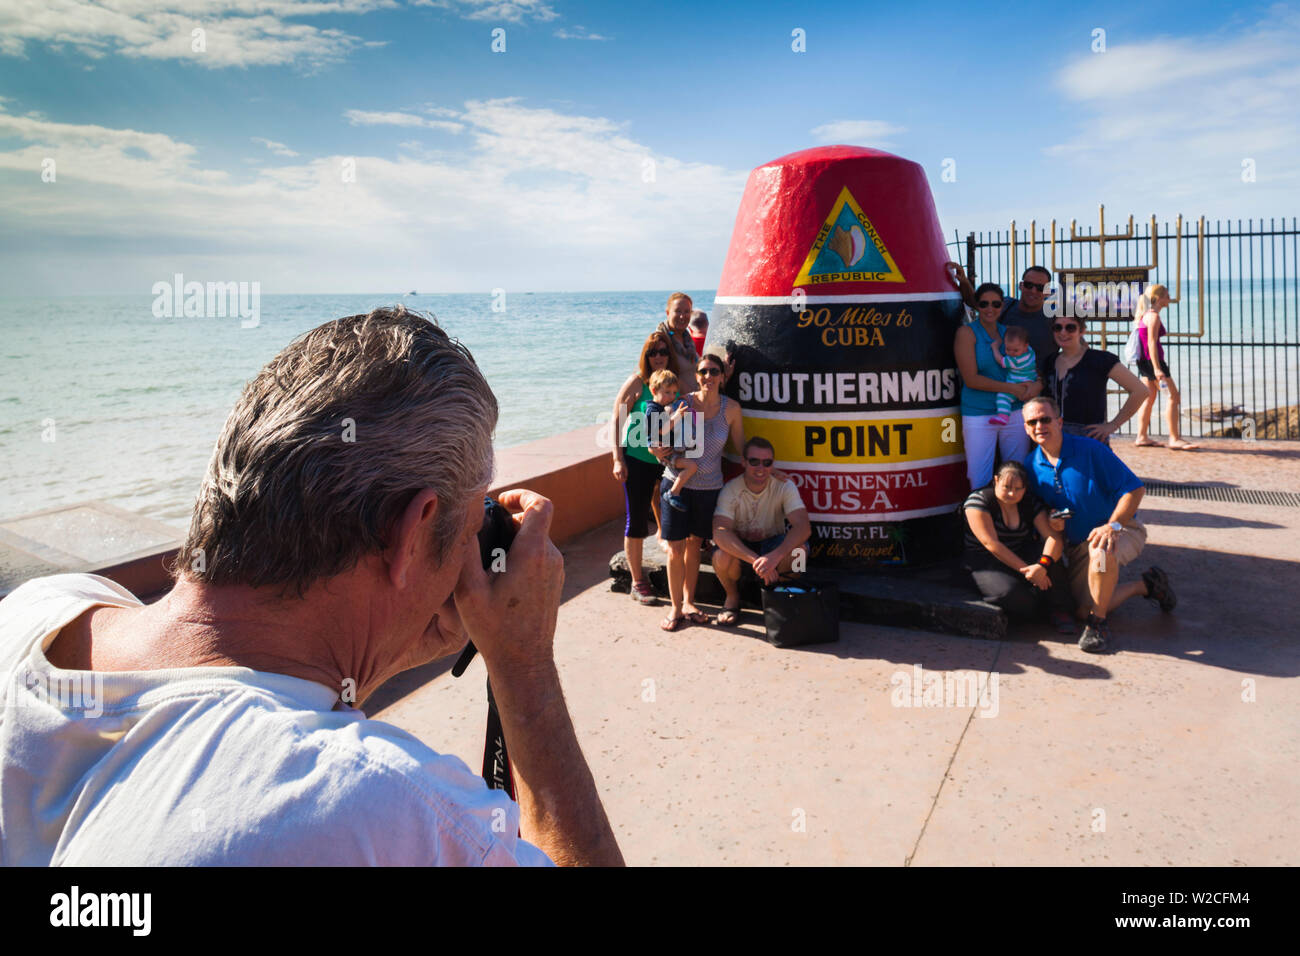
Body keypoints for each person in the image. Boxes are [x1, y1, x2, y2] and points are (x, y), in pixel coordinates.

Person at [0, 306, 624, 866]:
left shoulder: (40, 612)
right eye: (467, 526)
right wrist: (522, 666)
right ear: (415, 532)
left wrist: (397, 641)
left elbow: (250, 690)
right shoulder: (382, 809)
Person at [1021, 396, 1177, 654]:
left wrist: (1112, 525)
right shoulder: (1030, 466)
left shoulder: (1091, 450)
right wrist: (1053, 522)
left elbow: (1134, 490)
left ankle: (1098, 626)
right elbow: (1044, 513)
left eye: (1045, 419)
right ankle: (1147, 585)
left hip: (1122, 530)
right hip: (1077, 546)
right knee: (1083, 609)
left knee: (1102, 552)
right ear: (1026, 428)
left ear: (1059, 422)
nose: (1039, 426)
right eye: (1032, 421)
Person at [658, 351, 745, 632]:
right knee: (675, 548)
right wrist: (665, 457)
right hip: (677, 485)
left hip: (710, 488)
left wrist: (768, 472)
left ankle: (690, 602)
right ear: (696, 376)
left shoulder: (731, 409)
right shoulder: (683, 403)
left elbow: (741, 450)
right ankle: (674, 608)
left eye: (714, 371)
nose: (708, 376)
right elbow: (655, 440)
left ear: (722, 376)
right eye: (703, 372)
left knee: (694, 545)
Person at [711, 437, 812, 626]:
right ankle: (732, 598)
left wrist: (775, 556)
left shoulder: (784, 486)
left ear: (773, 464)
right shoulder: (731, 489)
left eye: (767, 463)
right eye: (754, 461)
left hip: (773, 545)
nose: (760, 468)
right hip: (743, 550)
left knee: (800, 553)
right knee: (720, 555)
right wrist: (755, 560)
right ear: (743, 462)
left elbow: (803, 527)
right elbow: (720, 531)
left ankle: (781, 596)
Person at [962, 460, 1072, 629]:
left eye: (1017, 489)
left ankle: (1060, 609)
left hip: (1021, 551)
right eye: (1006, 487)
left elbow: (1053, 537)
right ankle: (1035, 607)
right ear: (996, 481)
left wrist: (1042, 565)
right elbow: (991, 543)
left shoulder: (1030, 503)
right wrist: (1027, 571)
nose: (1012, 494)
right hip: (986, 561)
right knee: (1010, 594)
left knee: (1053, 560)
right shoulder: (978, 501)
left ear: (1025, 488)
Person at [610, 330, 677, 605]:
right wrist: (617, 458)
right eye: (653, 352)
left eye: (663, 351)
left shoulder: (672, 382)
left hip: (664, 461)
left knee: (669, 509)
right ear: (646, 356)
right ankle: (638, 582)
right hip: (636, 459)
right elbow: (616, 419)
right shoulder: (637, 382)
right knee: (636, 519)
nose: (659, 357)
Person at [955, 282, 1033, 491]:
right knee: (978, 478)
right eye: (984, 304)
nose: (990, 309)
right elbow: (971, 379)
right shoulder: (967, 333)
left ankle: (1013, 521)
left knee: (1017, 475)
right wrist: (1013, 390)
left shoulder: (1009, 332)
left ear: (1002, 305)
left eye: (996, 304)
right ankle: (979, 521)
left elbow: (1030, 367)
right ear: (977, 306)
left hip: (1015, 412)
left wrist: (1035, 386)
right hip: (979, 413)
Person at [1044, 314, 1147, 444]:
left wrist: (1113, 425)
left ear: (1081, 331)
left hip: (1089, 437)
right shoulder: (1050, 361)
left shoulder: (1100, 360)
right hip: (1055, 437)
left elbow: (1141, 391)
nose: (1063, 332)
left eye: (1070, 328)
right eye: (1057, 328)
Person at [949, 262, 1056, 377]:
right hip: (1001, 387)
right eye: (1029, 285)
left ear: (1047, 292)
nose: (1033, 291)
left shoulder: (1056, 321)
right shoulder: (1005, 307)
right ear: (1021, 286)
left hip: (1038, 389)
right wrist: (964, 281)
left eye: (1040, 288)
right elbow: (975, 302)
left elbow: (1074, 348)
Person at [1132, 283, 1199, 450]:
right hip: (1153, 362)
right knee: (1173, 397)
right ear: (1159, 298)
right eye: (1167, 296)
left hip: (1144, 362)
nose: (1170, 299)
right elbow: (1152, 343)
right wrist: (1157, 368)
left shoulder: (1145, 315)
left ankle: (1141, 436)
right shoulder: (1153, 316)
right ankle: (1174, 438)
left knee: (1149, 397)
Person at [644, 368, 698, 512]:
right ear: (654, 391)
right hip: (665, 452)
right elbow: (661, 429)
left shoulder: (661, 407)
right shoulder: (652, 409)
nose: (672, 396)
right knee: (691, 466)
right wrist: (677, 416)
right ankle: (673, 493)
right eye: (667, 392)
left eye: (674, 393)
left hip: (668, 448)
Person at [989, 326, 1037, 425]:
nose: (1011, 353)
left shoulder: (1016, 360)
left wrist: (995, 348)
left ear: (1025, 346)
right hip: (1030, 383)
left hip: (1017, 385)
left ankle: (1003, 417)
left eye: (1015, 350)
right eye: (1008, 349)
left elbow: (1000, 360)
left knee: (1002, 397)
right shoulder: (1030, 352)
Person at [658, 292, 699, 394]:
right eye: (677, 311)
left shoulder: (687, 338)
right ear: (668, 313)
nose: (682, 316)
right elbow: (665, 375)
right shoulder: (661, 340)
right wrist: (693, 397)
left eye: (686, 312)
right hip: (678, 402)